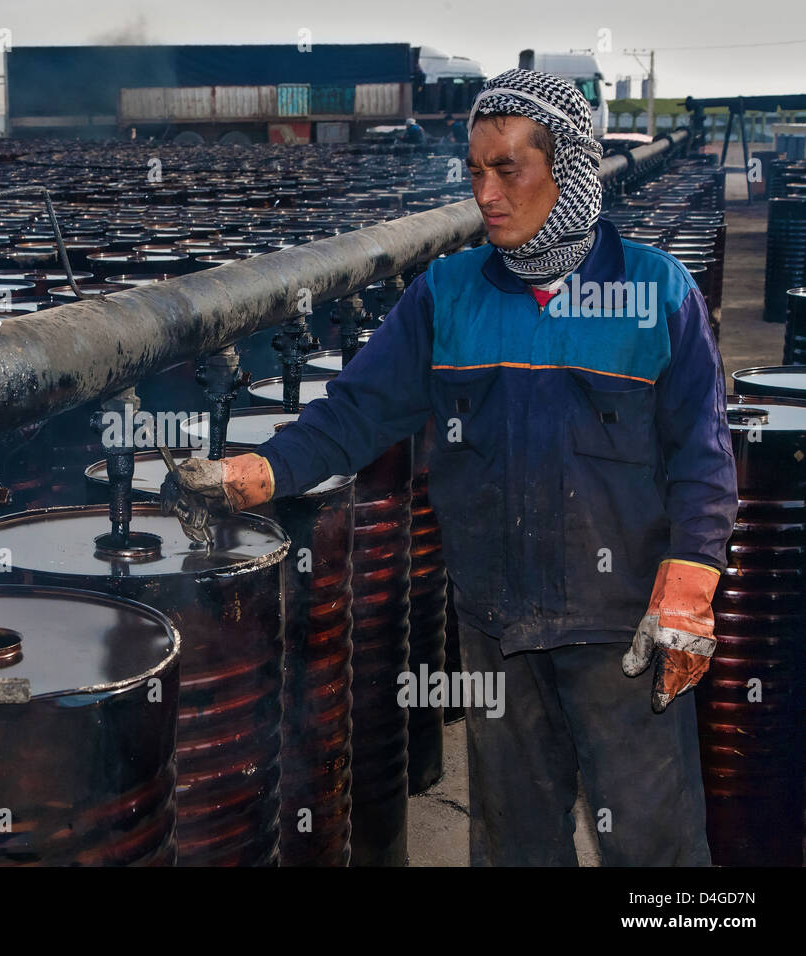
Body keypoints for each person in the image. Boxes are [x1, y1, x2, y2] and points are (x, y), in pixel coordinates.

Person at [162, 68, 737, 866]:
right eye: (476, 171)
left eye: (509, 169)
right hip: (496, 626)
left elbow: (705, 459)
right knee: (513, 844)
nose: (487, 193)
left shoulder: (654, 292)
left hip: (625, 632)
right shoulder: (449, 294)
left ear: (567, 172)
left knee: (653, 844)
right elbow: (356, 411)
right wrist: (254, 473)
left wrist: (689, 587)